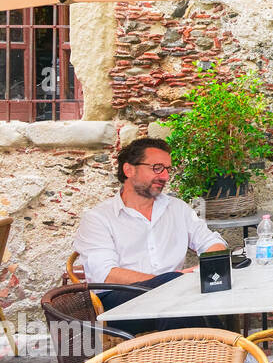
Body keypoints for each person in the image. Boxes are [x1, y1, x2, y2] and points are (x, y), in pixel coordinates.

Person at [72, 138, 226, 330]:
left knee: (177, 304)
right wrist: (171, 280)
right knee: (177, 297)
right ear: (129, 170)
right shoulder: (99, 218)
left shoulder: (177, 208)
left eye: (168, 169)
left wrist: (209, 264)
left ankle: (192, 348)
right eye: (157, 168)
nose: (165, 176)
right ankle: (227, 345)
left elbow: (211, 241)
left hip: (175, 296)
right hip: (119, 302)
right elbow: (107, 274)